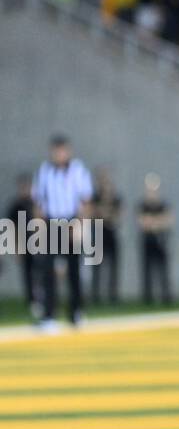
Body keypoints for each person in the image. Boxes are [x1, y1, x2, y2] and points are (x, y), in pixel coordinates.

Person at [33, 134, 94, 329]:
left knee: (74, 271)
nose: (59, 154)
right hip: (51, 223)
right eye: (56, 151)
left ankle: (75, 313)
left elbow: (85, 201)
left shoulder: (77, 170)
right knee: (48, 271)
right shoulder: (45, 171)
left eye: (62, 150)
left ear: (68, 151)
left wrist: (80, 225)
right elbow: (39, 203)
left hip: (72, 222)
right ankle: (49, 316)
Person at [5, 174, 40, 316]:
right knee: (28, 274)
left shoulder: (37, 204)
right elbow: (10, 227)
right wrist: (16, 248)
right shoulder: (15, 206)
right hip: (24, 245)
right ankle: (32, 302)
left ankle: (43, 299)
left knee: (41, 273)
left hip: (39, 243)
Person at [138, 173, 173, 305]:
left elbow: (168, 221)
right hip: (148, 241)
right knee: (147, 270)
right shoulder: (143, 205)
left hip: (161, 241)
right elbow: (142, 223)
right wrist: (157, 222)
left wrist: (153, 222)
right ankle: (148, 298)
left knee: (163, 270)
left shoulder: (163, 204)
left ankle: (166, 297)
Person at [89, 168, 122, 306]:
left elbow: (117, 217)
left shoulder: (115, 198)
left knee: (113, 267)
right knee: (96, 267)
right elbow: (92, 214)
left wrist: (103, 212)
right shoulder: (94, 197)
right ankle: (95, 296)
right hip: (97, 234)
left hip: (111, 235)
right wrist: (104, 212)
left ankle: (113, 295)